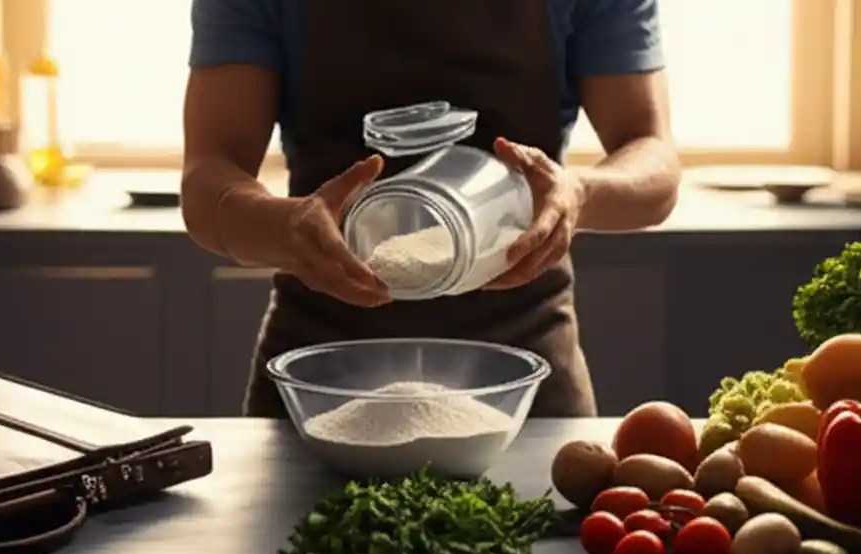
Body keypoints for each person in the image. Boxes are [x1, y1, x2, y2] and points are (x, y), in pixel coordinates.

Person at [182, 0, 681, 419]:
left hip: (524, 381)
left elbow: (652, 159)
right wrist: (285, 228)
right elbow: (209, 175)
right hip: (319, 385)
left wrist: (579, 192)